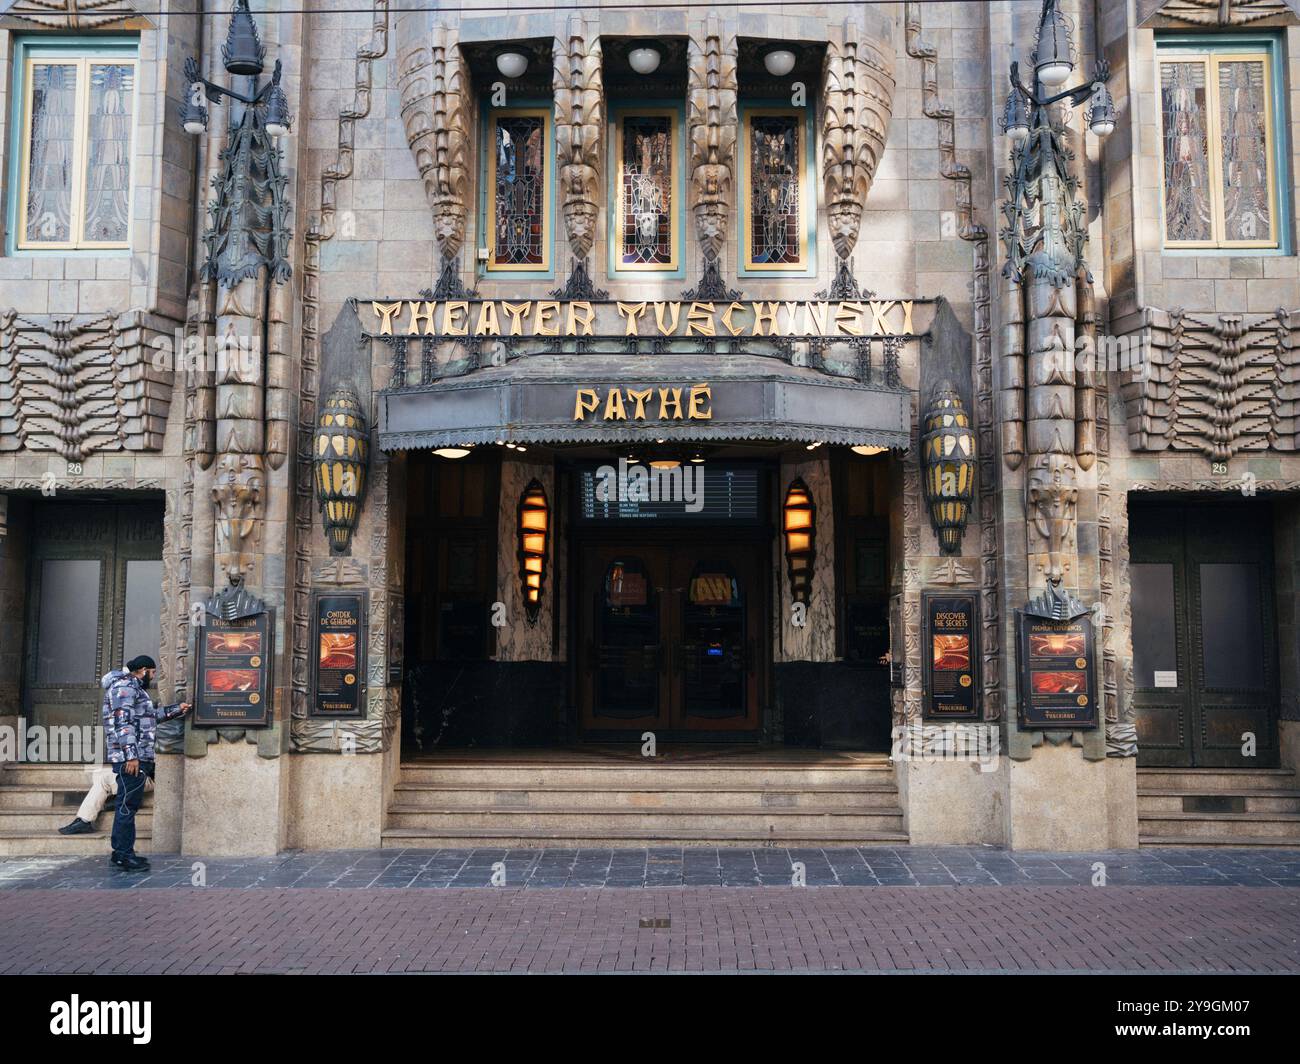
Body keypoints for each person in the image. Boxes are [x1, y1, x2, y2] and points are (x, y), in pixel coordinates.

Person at [100, 655, 190, 872]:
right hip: (130, 759)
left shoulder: (133, 688)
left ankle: (120, 853)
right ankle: (123, 855)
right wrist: (131, 756)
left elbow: (147, 717)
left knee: (127, 806)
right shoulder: (125, 688)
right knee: (126, 806)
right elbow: (124, 723)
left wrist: (177, 709)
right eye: (152, 672)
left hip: (137, 756)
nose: (154, 676)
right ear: (142, 670)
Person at [57, 766, 153, 836]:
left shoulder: (154, 741)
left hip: (145, 777)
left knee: (103, 780)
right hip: (133, 771)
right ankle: (124, 798)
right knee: (97, 772)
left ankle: (84, 820)